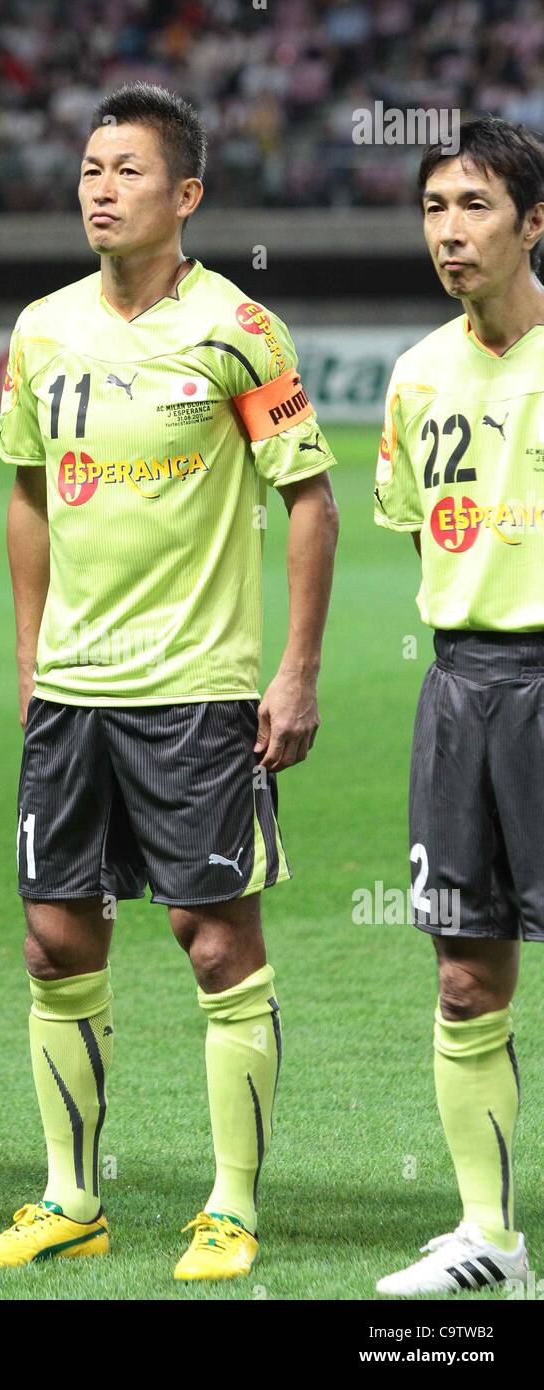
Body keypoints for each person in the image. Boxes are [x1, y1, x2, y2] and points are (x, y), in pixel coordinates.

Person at [0, 82, 338, 1281]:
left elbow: (311, 502)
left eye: (125, 171)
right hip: (71, 692)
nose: (99, 190)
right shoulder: (39, 329)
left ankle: (229, 1207)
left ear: (185, 194)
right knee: (55, 943)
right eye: (87, 169)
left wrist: (295, 669)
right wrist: (28, 661)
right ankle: (70, 1197)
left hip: (195, 690)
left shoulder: (240, 330)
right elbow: (23, 493)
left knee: (214, 946)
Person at [373, 115, 544, 1296]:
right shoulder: (416, 373)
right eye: (435, 207)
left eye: (474, 206)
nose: (449, 231)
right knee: (460, 974)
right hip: (457, 687)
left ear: (532, 223)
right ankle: (487, 1231)